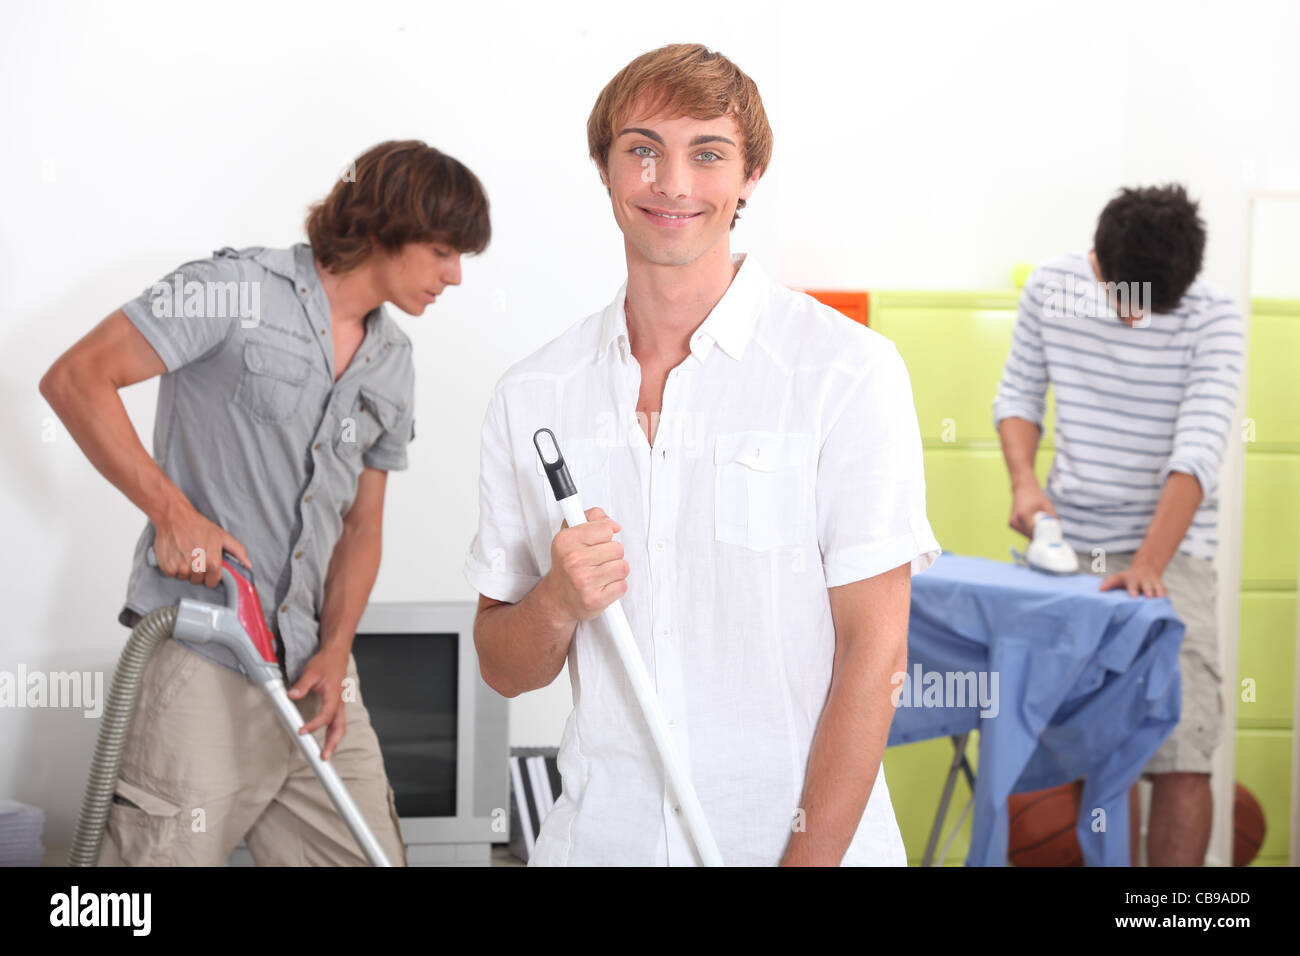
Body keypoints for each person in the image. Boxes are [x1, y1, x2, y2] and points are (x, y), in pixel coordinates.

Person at [465, 43, 940, 866]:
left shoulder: (846, 373)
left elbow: (877, 656)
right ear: (607, 172)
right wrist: (554, 602)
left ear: (750, 176)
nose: (672, 182)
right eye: (641, 150)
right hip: (601, 844)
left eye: (707, 154)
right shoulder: (533, 395)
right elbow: (505, 669)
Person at [39, 139, 490, 865]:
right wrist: (172, 512)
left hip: (314, 680)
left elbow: (362, 528)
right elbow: (76, 378)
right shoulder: (231, 290)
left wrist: (338, 651)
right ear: (381, 228)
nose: (455, 275)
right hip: (204, 663)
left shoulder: (393, 362)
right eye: (442, 250)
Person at [993, 184, 1244, 866]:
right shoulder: (1053, 286)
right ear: (1099, 262)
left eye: (1153, 307)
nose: (1136, 320)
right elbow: (1018, 394)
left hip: (1175, 553)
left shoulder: (1216, 316)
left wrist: (1150, 565)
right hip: (1073, 548)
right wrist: (1025, 485)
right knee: (1096, 751)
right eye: (1125, 299)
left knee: (1183, 751)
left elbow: (1198, 446)